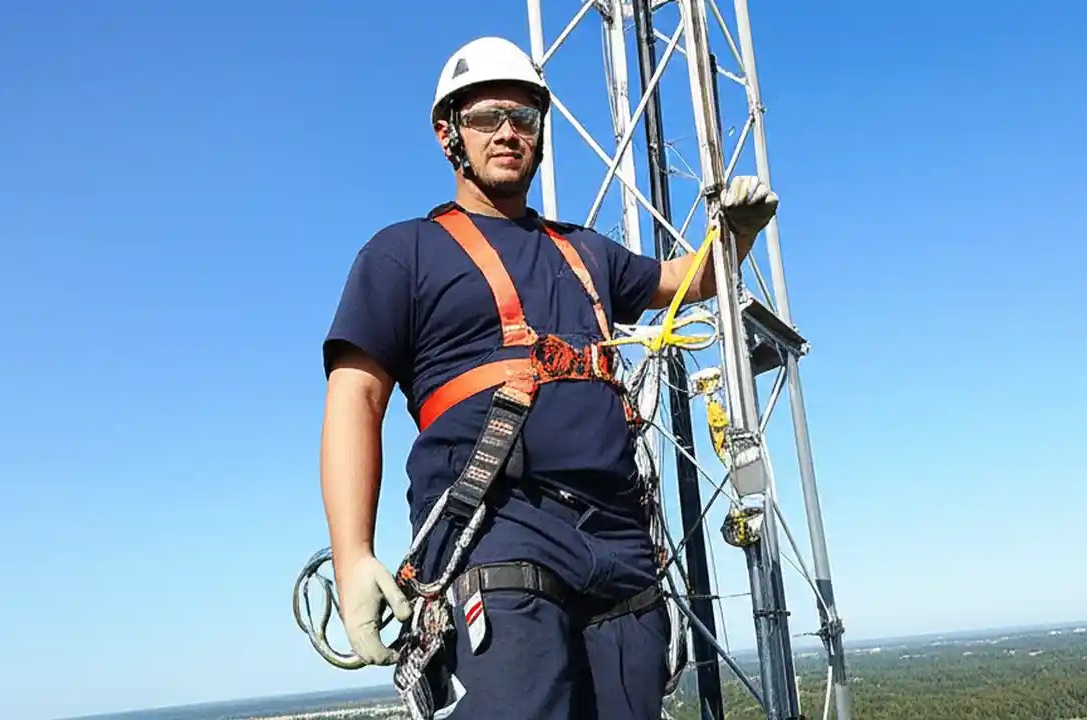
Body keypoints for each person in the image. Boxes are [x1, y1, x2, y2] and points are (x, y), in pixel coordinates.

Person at [318, 35, 778, 720]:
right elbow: (355, 397)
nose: (507, 132)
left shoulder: (585, 251)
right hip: (497, 524)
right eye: (486, 117)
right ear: (449, 134)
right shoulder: (404, 254)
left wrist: (734, 238)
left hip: (618, 535)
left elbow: (686, 281)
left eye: (524, 117)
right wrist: (352, 556)